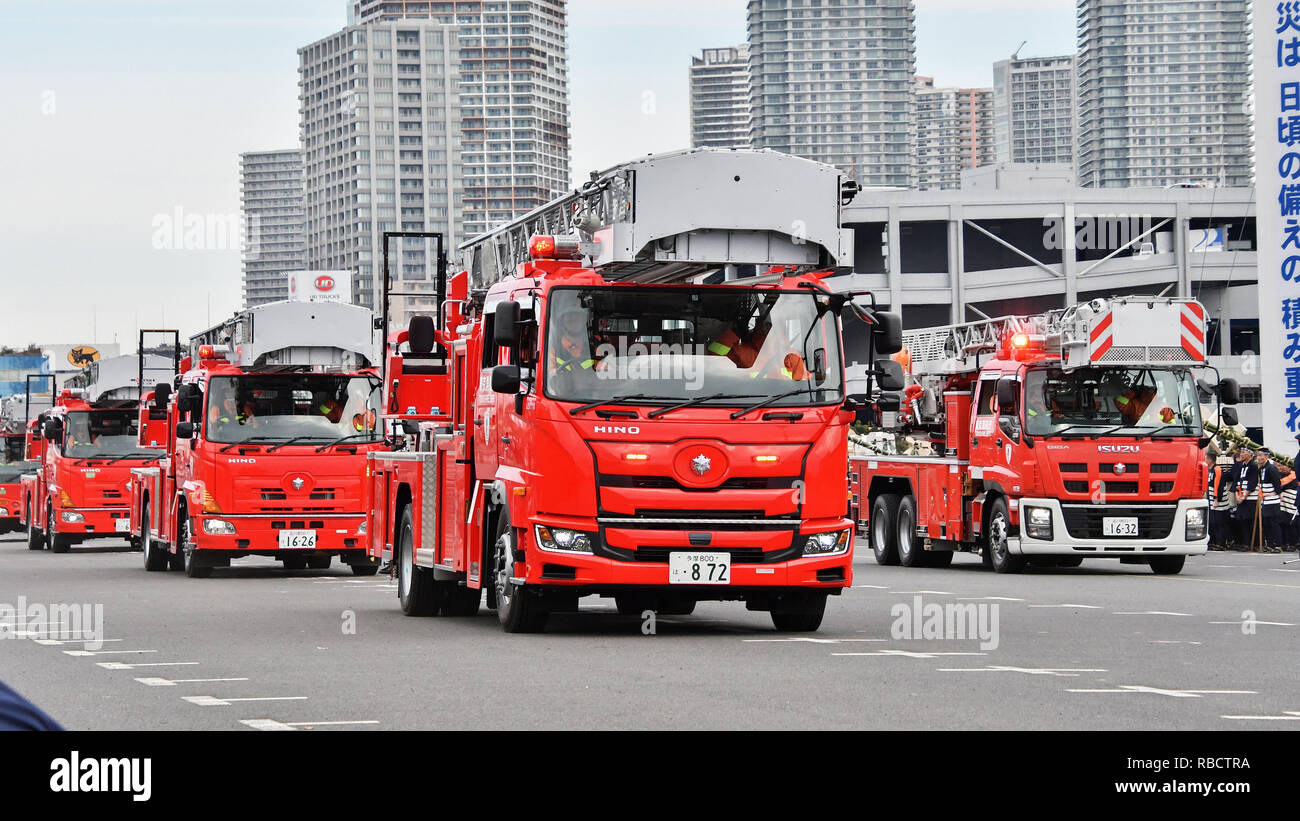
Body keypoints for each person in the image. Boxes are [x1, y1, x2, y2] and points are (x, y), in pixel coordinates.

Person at [1206, 452, 1232, 551]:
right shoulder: (1209, 470)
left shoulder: (1217, 469)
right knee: (1213, 522)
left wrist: (1216, 499)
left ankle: (1222, 543)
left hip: (1219, 500)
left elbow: (1218, 485)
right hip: (1211, 498)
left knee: (1220, 522)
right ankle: (1215, 542)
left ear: (1210, 460)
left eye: (1206, 458)